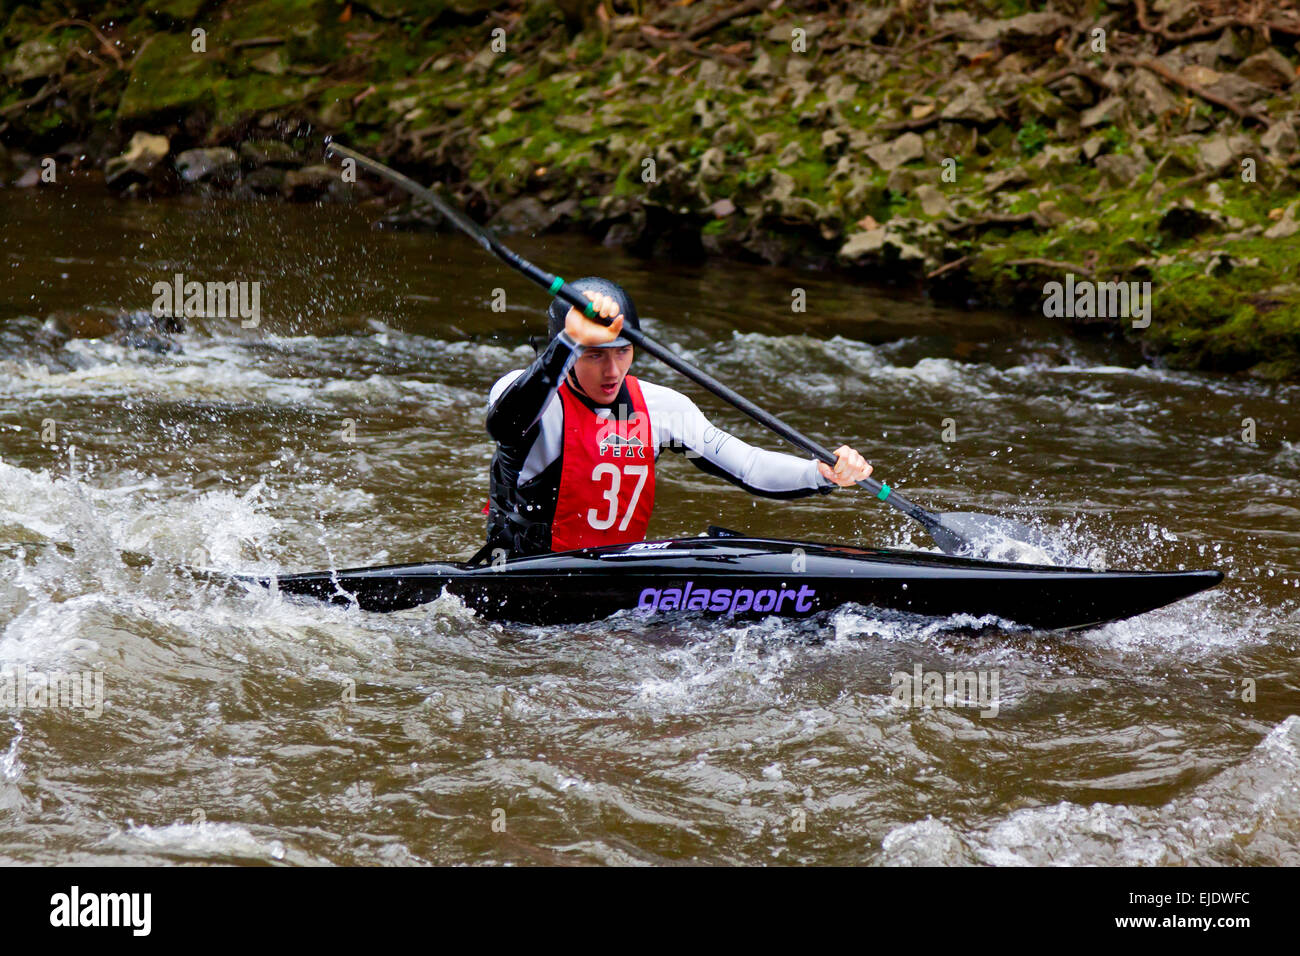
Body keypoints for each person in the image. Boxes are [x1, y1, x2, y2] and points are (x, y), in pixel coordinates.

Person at [483, 277, 872, 557]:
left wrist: (821, 474)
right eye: (595, 354)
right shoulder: (525, 393)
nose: (613, 370)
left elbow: (749, 466)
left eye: (623, 351)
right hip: (528, 573)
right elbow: (505, 425)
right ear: (562, 352)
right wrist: (570, 340)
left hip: (614, 576)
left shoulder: (662, 407)